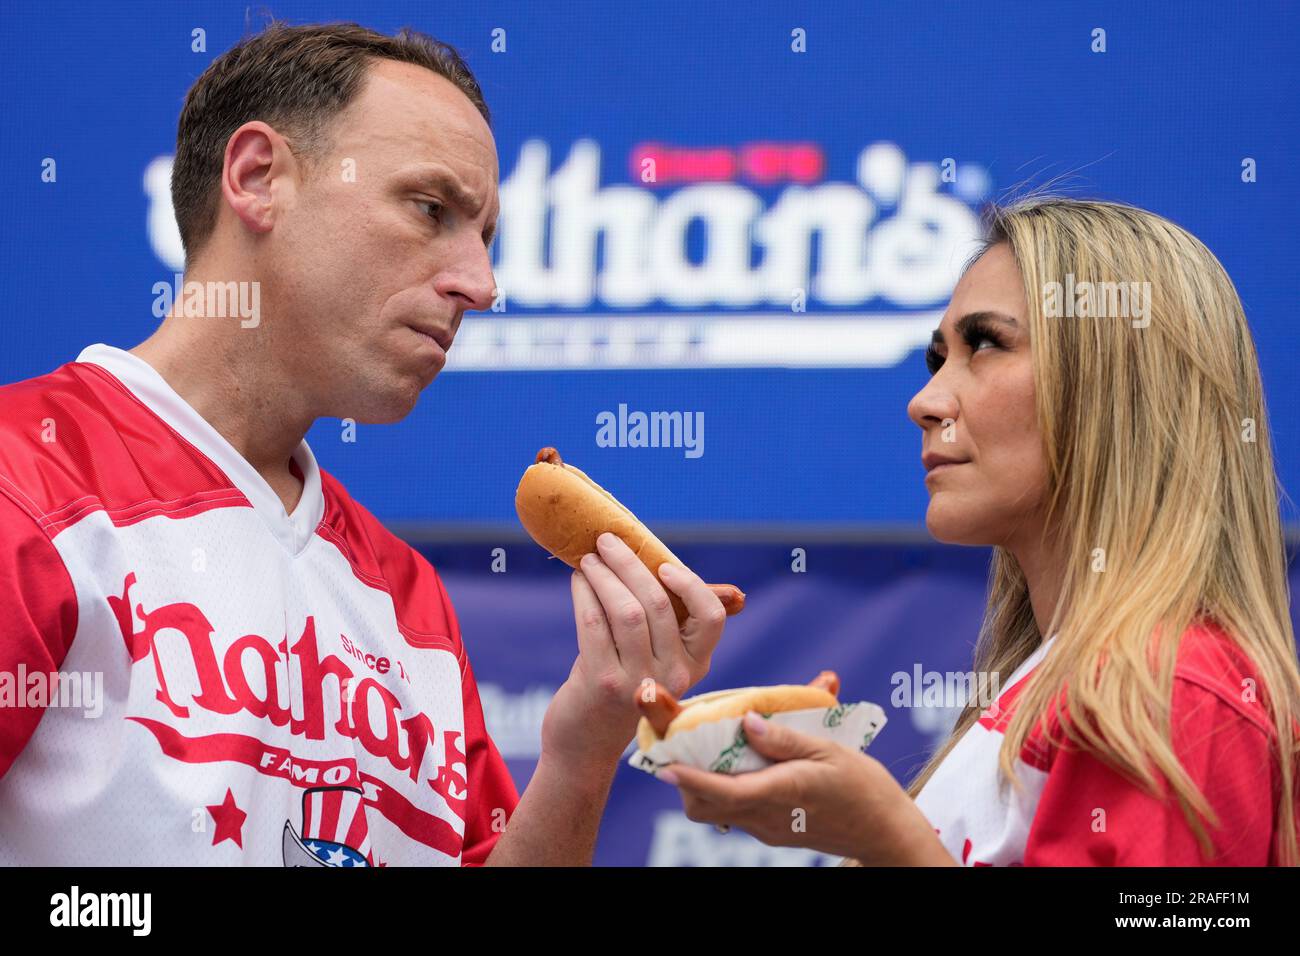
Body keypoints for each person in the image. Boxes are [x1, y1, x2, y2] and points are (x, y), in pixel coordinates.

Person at [0, 21, 727, 866]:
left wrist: (585, 747)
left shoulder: (405, 594)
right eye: (431, 210)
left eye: (484, 236)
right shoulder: (25, 477)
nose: (482, 286)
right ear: (258, 178)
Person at [655, 197, 1300, 866]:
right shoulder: (1055, 681)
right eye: (938, 359)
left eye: (986, 343)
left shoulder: (1175, 689)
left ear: (1121, 382)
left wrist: (887, 839)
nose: (925, 401)